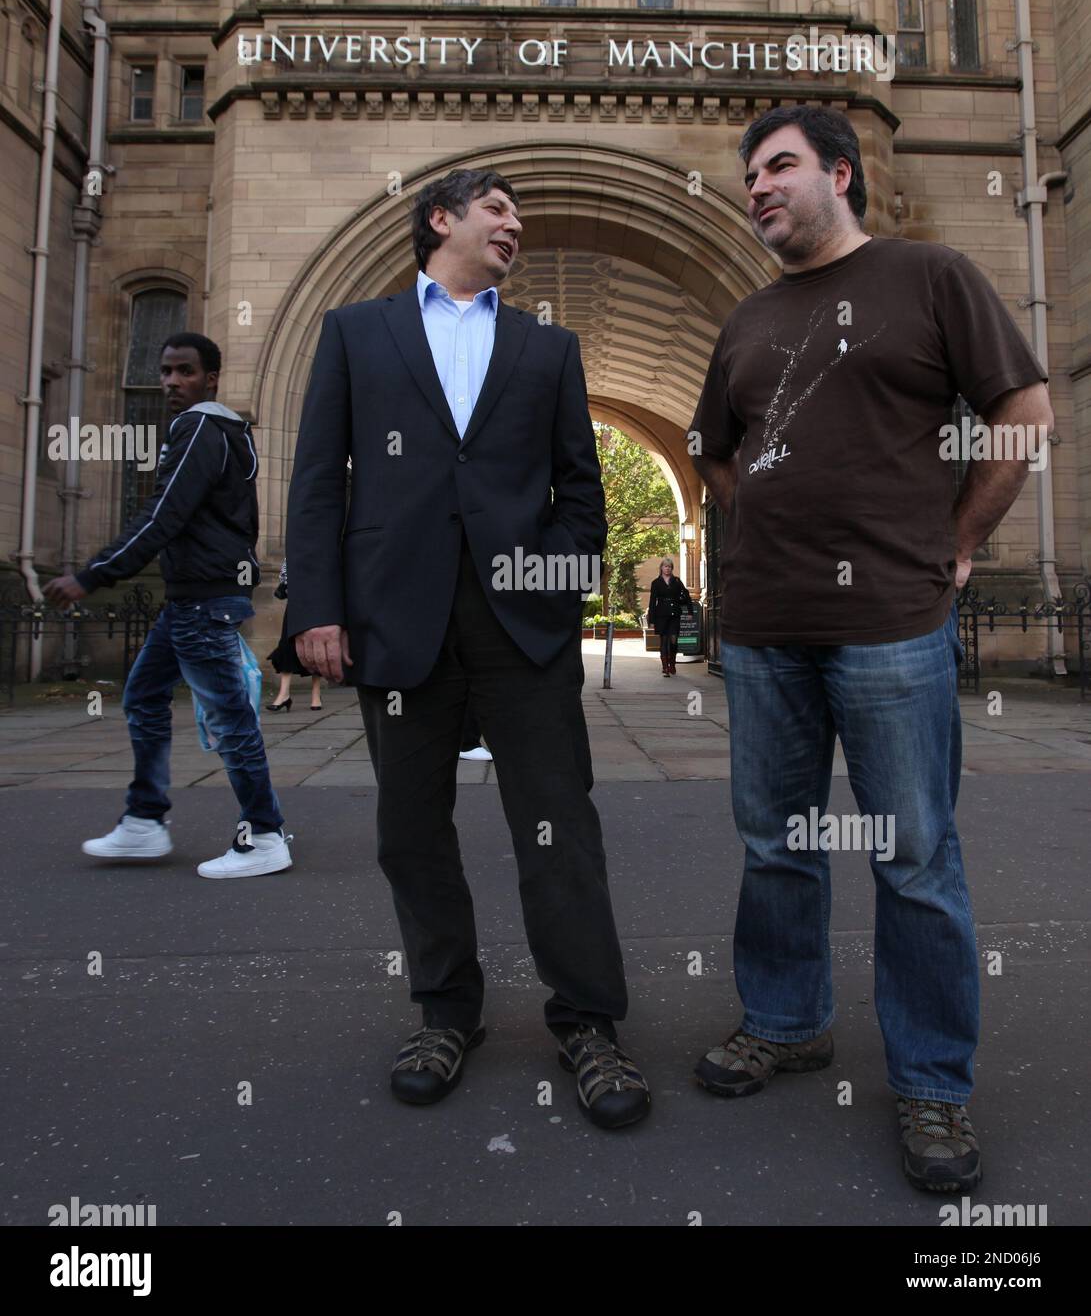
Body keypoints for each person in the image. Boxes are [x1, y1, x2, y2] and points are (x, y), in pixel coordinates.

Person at [687, 105, 1052, 1192]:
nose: (758, 185)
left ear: (838, 174)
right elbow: (712, 451)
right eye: (749, 173)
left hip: (891, 626)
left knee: (912, 854)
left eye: (779, 166)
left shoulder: (927, 277)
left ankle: (933, 1085)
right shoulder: (746, 318)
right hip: (762, 631)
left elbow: (1022, 412)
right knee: (774, 842)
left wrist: (957, 542)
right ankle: (786, 1019)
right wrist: (753, 531)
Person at [285, 168, 650, 1129]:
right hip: (392, 619)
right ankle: (445, 1013)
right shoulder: (354, 332)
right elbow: (320, 480)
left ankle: (589, 1024)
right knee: (410, 830)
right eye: (497, 210)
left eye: (519, 214)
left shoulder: (547, 346)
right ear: (439, 219)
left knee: (556, 825)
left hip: (519, 626)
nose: (515, 225)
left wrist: (559, 586)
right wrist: (315, 608)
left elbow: (582, 489)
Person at [43, 333, 292, 881]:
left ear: (210, 379)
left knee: (231, 722)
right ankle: (145, 820)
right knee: (145, 695)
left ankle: (266, 833)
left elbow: (163, 516)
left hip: (203, 600)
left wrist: (92, 576)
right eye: (165, 372)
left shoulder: (199, 427)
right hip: (196, 596)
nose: (171, 382)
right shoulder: (226, 432)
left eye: (184, 371)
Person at [266, 560, 323, 712]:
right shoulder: (296, 542)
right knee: (287, 644)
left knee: (315, 645)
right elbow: (285, 570)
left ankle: (316, 695)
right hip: (297, 601)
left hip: (319, 601)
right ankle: (284, 694)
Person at [646, 557, 694, 677]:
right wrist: (651, 620)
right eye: (665, 566)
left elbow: (686, 595)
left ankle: (672, 663)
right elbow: (652, 602)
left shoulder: (677, 581)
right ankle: (664, 667)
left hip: (674, 614)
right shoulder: (656, 583)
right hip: (661, 614)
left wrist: (690, 611)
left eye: (669, 567)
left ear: (672, 569)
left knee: (673, 639)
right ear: (661, 568)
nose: (667, 568)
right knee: (664, 640)